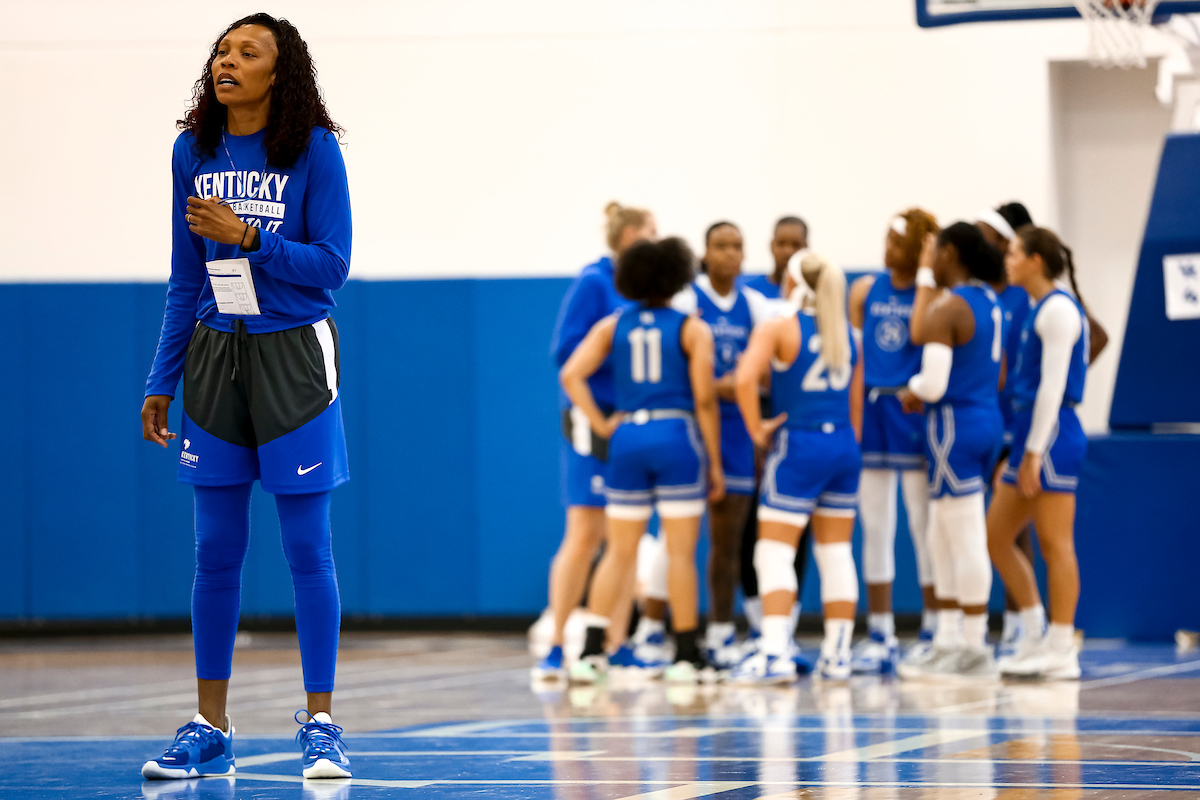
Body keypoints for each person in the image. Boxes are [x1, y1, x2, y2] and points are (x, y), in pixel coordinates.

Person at [139, 14, 353, 780]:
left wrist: (253, 238)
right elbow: (184, 275)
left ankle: (322, 724)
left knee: (305, 550)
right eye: (222, 52)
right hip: (214, 356)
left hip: (294, 357)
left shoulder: (314, 152)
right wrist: (163, 377)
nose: (228, 61)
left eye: (247, 53)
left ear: (278, 73)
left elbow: (333, 266)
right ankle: (211, 726)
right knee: (216, 551)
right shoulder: (191, 152)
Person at [561, 238, 724, 684]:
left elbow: (570, 374)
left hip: (628, 436)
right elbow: (706, 399)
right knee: (681, 552)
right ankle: (687, 654)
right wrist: (714, 461)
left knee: (618, 550)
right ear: (678, 276)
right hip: (676, 436)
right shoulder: (693, 328)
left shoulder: (614, 325)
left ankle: (592, 653)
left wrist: (601, 422)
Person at [534, 203, 658, 681]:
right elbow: (565, 353)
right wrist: (601, 406)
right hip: (593, 421)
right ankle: (557, 644)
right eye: (650, 230)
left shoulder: (645, 289)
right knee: (584, 533)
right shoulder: (594, 281)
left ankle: (615, 641)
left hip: (630, 424)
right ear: (627, 234)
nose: (656, 237)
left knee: (624, 536)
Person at [731, 251, 863, 683]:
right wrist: (846, 446)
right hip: (843, 444)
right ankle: (838, 654)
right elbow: (856, 404)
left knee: (773, 551)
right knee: (836, 552)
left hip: (799, 443)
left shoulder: (779, 327)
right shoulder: (849, 334)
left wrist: (756, 428)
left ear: (793, 283)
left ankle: (775, 652)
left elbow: (743, 379)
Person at [896, 222, 1007, 682]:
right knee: (945, 532)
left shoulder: (949, 306)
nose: (931, 261)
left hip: (953, 427)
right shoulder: (992, 302)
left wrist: (911, 388)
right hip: (985, 420)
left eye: (934, 253)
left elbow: (935, 383)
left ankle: (974, 645)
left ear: (951, 253)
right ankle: (948, 640)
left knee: (959, 534)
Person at [671, 222, 782, 668]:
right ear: (706, 252)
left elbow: (770, 369)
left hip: (737, 429)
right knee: (675, 540)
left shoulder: (754, 305)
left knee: (730, 538)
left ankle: (720, 629)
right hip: (694, 424)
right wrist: (716, 386)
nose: (731, 254)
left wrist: (741, 386)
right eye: (721, 246)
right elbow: (677, 366)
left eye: (737, 246)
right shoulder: (687, 300)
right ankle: (657, 629)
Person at [988, 227, 1091, 680]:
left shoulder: (1059, 311)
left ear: (1035, 261)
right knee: (996, 536)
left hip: (1052, 435)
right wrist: (1019, 450)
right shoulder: (1035, 309)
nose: (1006, 260)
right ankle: (1034, 631)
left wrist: (1031, 453)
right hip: (1031, 433)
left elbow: (1052, 387)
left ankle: (1062, 647)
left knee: (1055, 544)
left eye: (1013, 253)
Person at [847, 209, 940, 675]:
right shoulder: (865, 289)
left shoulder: (933, 292)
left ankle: (932, 627)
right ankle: (880, 630)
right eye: (886, 236)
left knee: (923, 524)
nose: (887, 245)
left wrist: (927, 268)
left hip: (912, 410)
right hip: (873, 410)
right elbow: (851, 357)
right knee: (876, 524)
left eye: (898, 239)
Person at [737, 216, 812, 653]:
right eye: (781, 242)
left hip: (797, 421)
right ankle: (755, 620)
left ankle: (785, 625)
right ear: (770, 246)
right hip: (759, 420)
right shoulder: (754, 299)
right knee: (754, 525)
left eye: (795, 244)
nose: (787, 250)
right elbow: (751, 372)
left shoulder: (816, 301)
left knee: (794, 529)